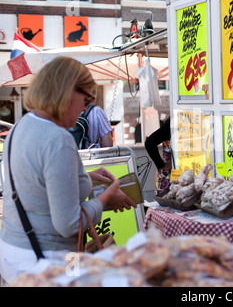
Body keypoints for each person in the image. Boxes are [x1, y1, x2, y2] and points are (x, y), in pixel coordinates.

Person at [0, 57, 136, 285]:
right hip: (46, 262)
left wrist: (86, 177)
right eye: (87, 98)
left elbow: (37, 182)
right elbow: (70, 223)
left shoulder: (22, 126)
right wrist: (105, 199)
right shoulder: (58, 139)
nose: (86, 107)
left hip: (13, 253)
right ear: (67, 91)